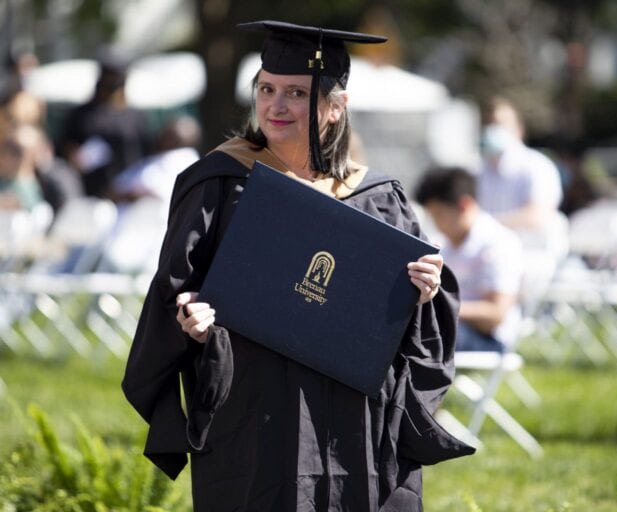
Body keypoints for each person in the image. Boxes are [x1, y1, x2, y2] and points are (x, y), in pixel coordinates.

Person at [122, 20, 473, 511]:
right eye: (266, 89)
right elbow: (175, 292)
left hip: (353, 410)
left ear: (335, 107)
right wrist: (192, 322)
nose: (276, 106)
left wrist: (426, 290)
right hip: (254, 400)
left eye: (295, 93)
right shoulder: (221, 182)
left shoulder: (377, 197)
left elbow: (413, 314)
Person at [416, 166, 522, 352]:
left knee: (420, 335)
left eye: (439, 214)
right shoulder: (443, 243)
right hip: (452, 326)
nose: (436, 223)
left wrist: (439, 305)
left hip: (488, 341)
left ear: (464, 205)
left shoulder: (498, 243)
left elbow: (496, 314)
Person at [58, 52, 150, 198]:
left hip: (130, 196)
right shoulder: (81, 115)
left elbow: (145, 153)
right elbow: (66, 151)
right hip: (94, 196)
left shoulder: (135, 116)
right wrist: (75, 157)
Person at [477, 96, 564, 249]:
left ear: (518, 129)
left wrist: (487, 225)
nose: (492, 129)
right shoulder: (479, 169)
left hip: (533, 254)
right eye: (488, 123)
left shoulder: (537, 166)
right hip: (494, 253)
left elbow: (538, 215)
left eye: (499, 123)